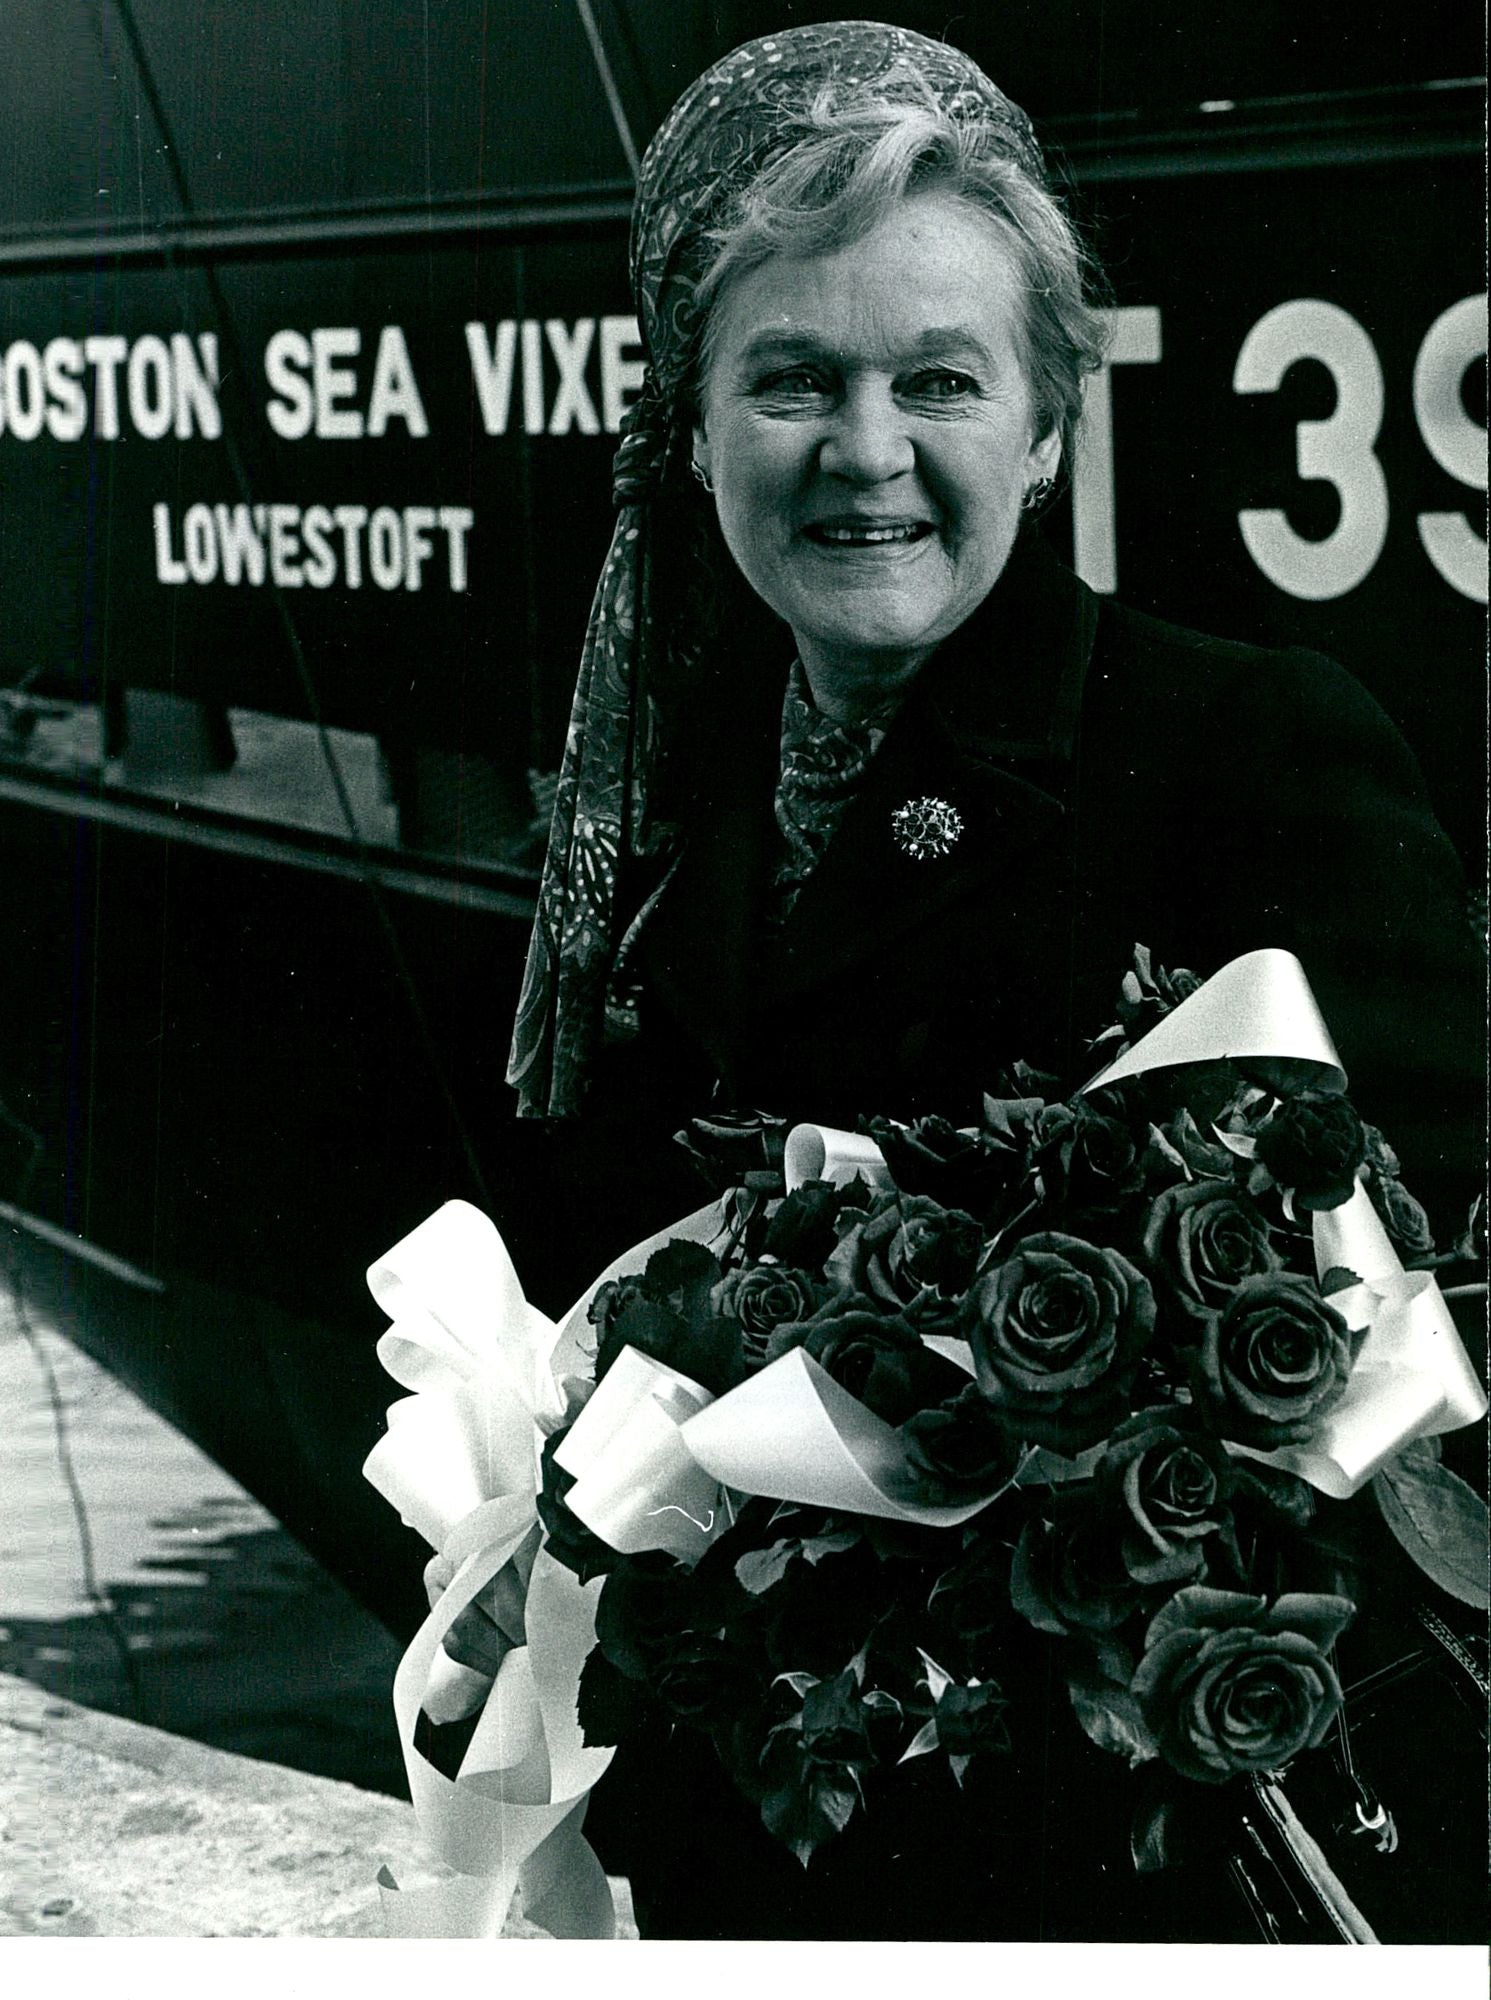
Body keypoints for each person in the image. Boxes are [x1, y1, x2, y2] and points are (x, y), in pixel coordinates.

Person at [455, 21, 1485, 1941]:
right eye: (792, 383)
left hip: (1128, 1868)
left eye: (939, 377)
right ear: (690, 430)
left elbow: (1407, 1338)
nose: (868, 453)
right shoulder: (666, 805)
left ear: (1042, 418)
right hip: (755, 1846)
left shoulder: (1251, 756)